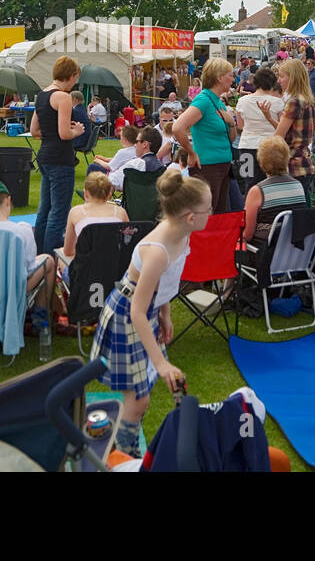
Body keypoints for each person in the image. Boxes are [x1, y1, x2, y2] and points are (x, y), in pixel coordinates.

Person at [89, 171, 204, 460]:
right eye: (209, 209)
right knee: (139, 398)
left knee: (140, 395)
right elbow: (136, 311)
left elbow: (162, 285)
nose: (211, 214)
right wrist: (161, 362)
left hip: (147, 309)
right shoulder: (157, 251)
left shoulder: (183, 233)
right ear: (190, 216)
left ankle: (122, 449)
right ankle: (123, 456)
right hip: (129, 315)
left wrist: (165, 314)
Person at [0, 180, 57, 352]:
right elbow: (27, 267)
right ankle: (40, 320)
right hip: (11, 290)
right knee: (48, 260)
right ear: (8, 201)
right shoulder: (21, 230)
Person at [31, 56, 85, 259]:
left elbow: (34, 130)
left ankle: (39, 256)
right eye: (75, 79)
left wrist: (53, 132)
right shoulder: (63, 97)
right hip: (60, 159)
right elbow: (64, 134)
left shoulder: (41, 95)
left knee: (44, 210)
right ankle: (52, 258)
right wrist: (77, 131)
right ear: (70, 76)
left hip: (44, 155)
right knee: (59, 213)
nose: (74, 84)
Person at [171, 57, 238, 214]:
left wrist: (231, 123)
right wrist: (191, 152)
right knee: (205, 214)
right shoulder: (204, 100)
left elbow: (231, 139)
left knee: (218, 215)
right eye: (230, 75)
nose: (233, 79)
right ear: (220, 77)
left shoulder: (218, 101)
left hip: (223, 165)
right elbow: (177, 127)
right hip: (208, 167)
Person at [241, 135, 307, 246]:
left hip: (265, 250)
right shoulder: (298, 185)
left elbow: (247, 234)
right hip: (292, 247)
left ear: (261, 161)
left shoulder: (257, 191)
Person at [270, 58, 315, 203]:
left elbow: (279, 136)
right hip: (305, 163)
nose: (279, 81)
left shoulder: (294, 102)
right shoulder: (306, 100)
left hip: (293, 165)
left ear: (293, 78)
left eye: (282, 76)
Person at [61, 170, 129, 261]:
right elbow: (128, 245)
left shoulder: (76, 212)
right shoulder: (120, 212)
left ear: (85, 193)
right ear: (109, 194)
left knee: (60, 254)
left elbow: (68, 251)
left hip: (85, 271)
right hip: (115, 269)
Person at [235, 66, 284, 150]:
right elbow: (281, 127)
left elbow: (240, 125)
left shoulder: (242, 101)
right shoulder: (277, 102)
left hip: (247, 144)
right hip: (270, 145)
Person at [109, 126, 165, 191]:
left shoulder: (134, 164)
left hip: (133, 200)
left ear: (145, 144)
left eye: (136, 141)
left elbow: (112, 181)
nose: (135, 145)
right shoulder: (162, 168)